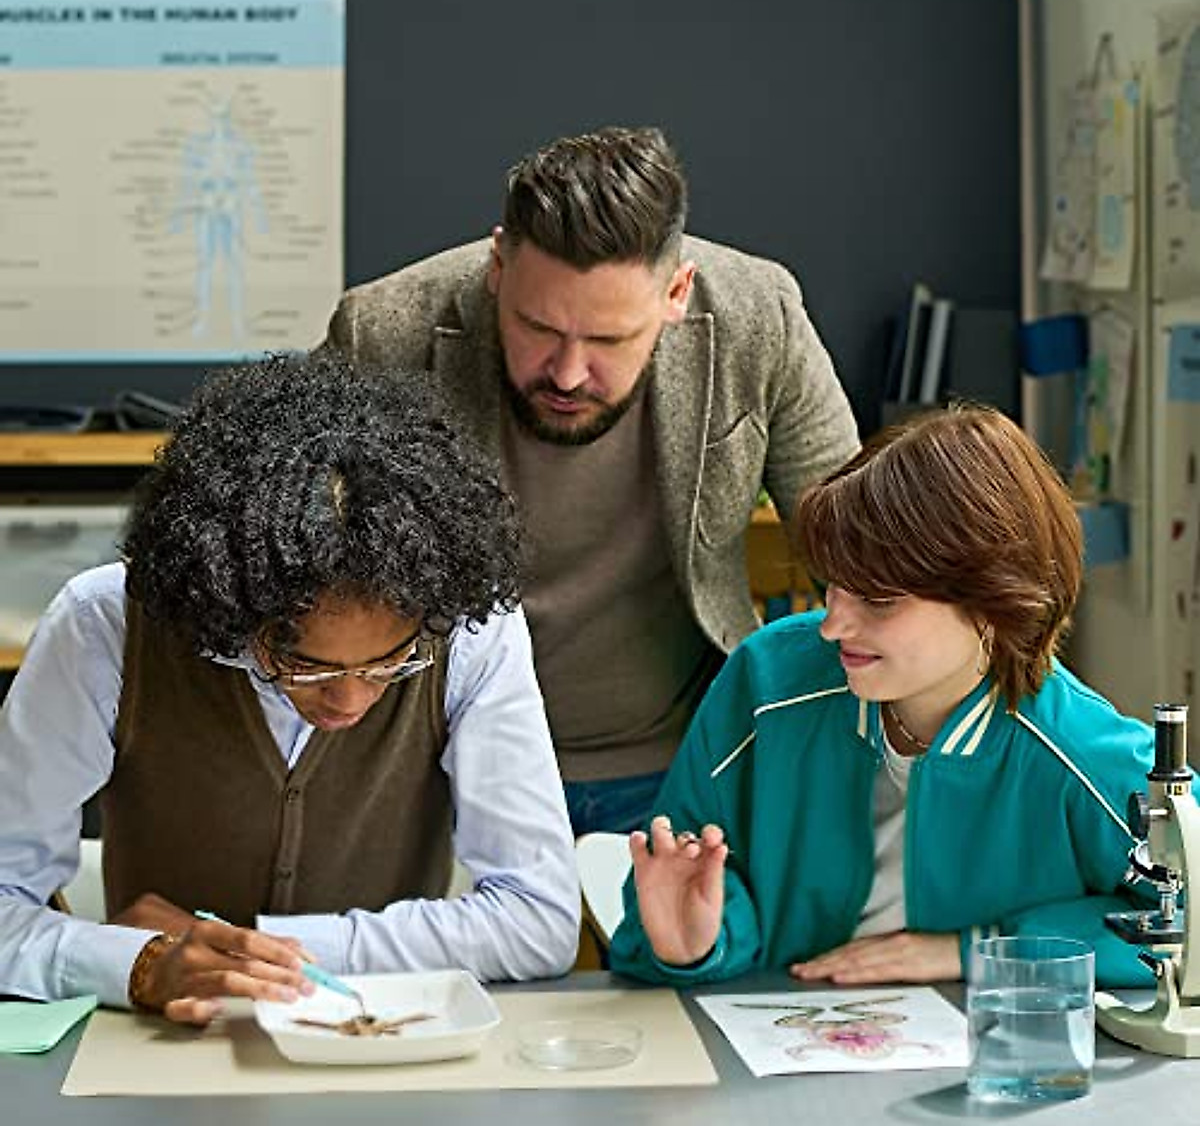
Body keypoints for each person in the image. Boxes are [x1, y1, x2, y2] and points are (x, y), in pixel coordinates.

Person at [0, 353, 579, 1023]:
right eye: (305, 666)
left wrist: (254, 949)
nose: (352, 700)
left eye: (390, 664)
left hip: (390, 1041)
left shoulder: (469, 626)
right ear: (225, 607)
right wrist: (140, 964)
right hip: (170, 1054)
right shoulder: (104, 627)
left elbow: (541, 920)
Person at [322, 126, 859, 834]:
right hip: (442, 765)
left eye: (608, 341)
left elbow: (861, 547)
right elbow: (286, 554)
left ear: (676, 292)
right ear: (497, 267)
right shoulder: (383, 333)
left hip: (688, 760)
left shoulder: (759, 318)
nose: (569, 373)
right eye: (537, 327)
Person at [609, 404, 1169, 989]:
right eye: (834, 585)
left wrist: (975, 951)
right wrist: (698, 945)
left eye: (878, 600)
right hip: (768, 1053)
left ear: (993, 607)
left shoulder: (1080, 751)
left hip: (990, 1060)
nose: (832, 626)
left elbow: (1186, 918)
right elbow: (669, 903)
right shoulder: (766, 681)